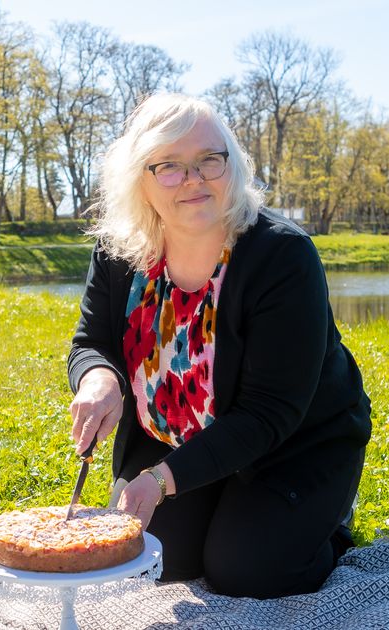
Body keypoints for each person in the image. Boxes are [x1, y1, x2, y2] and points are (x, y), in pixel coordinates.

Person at [67, 92, 371, 599]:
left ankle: (329, 517)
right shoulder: (119, 250)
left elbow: (270, 412)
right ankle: (222, 501)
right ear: (138, 179)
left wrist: (162, 481)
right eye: (169, 165)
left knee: (247, 570)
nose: (194, 178)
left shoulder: (281, 256)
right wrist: (100, 380)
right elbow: (92, 341)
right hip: (173, 439)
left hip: (292, 444)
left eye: (210, 158)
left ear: (232, 163)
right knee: (161, 559)